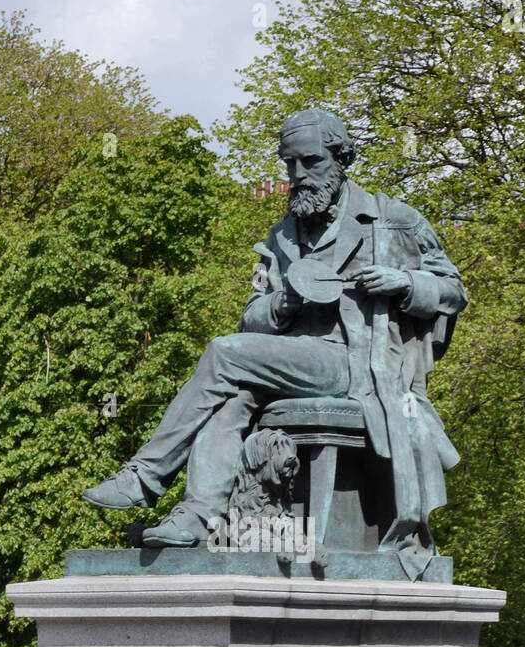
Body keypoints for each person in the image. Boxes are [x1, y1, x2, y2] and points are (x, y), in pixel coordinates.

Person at [83, 108, 466, 576]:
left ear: (340, 158)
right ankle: (198, 516)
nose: (299, 176)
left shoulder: (393, 221)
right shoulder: (283, 233)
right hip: (288, 363)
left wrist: (403, 282)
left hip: (357, 362)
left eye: (311, 162)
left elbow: (452, 290)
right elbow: (252, 316)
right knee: (230, 395)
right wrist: (283, 302)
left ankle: (145, 476)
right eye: (290, 165)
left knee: (225, 354)